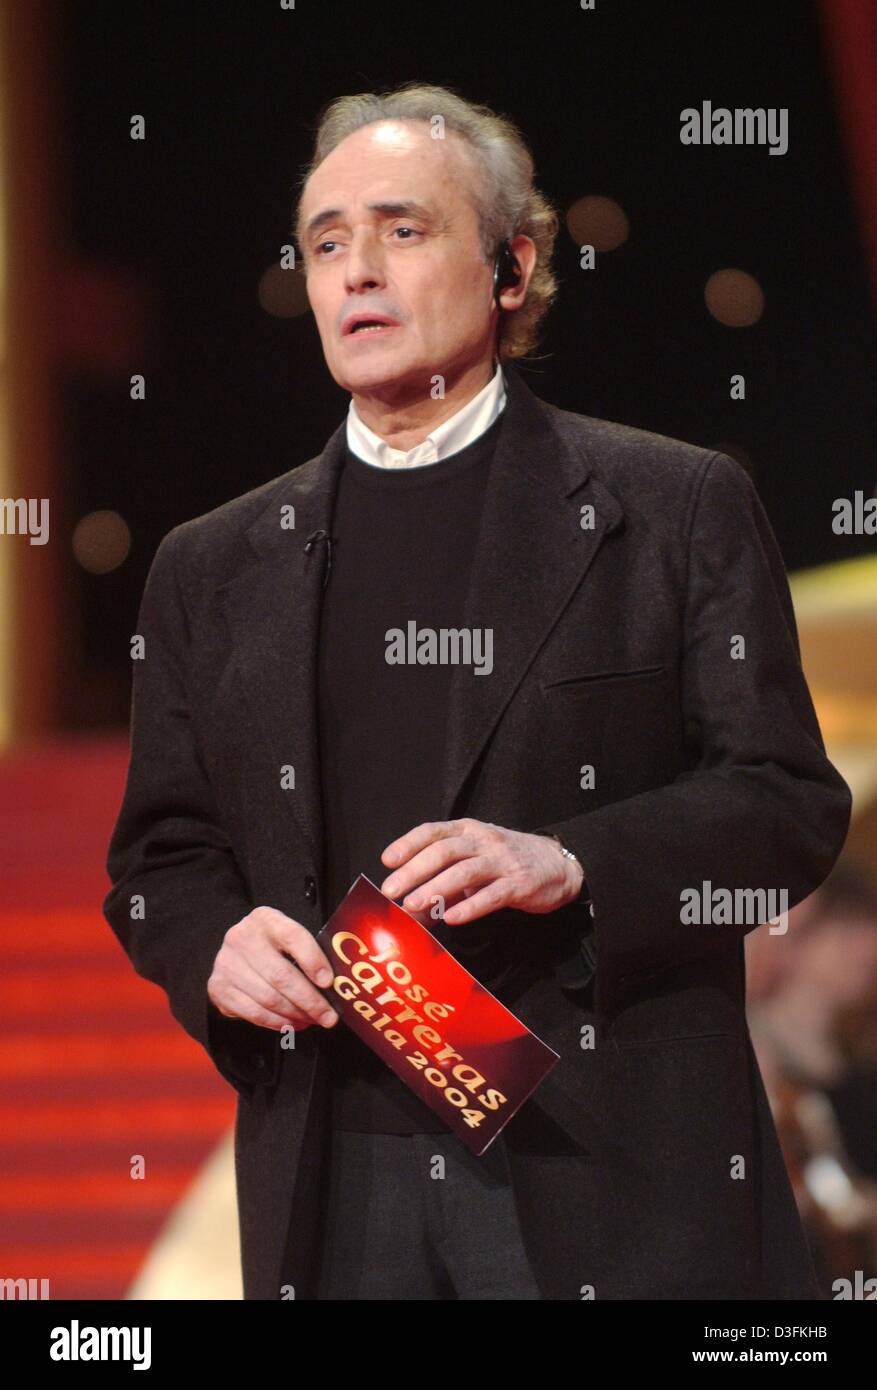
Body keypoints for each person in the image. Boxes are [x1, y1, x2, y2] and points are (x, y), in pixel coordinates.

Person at [104, 82, 852, 1300]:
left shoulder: (670, 506)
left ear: (513, 266)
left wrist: (578, 861)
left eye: (401, 231)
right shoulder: (210, 566)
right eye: (326, 242)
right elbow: (159, 861)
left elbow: (784, 804)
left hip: (607, 1163)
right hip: (333, 1176)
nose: (354, 273)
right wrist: (213, 948)